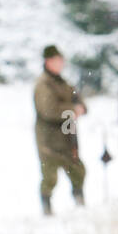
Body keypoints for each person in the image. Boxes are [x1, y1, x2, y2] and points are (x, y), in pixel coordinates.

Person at [34, 44, 87, 213]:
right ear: (48, 62)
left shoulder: (62, 83)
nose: (61, 64)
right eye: (57, 61)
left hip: (67, 135)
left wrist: (79, 107)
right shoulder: (43, 84)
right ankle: (46, 208)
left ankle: (80, 203)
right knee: (50, 176)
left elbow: (79, 100)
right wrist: (72, 110)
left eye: (61, 61)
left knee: (77, 170)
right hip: (49, 138)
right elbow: (48, 110)